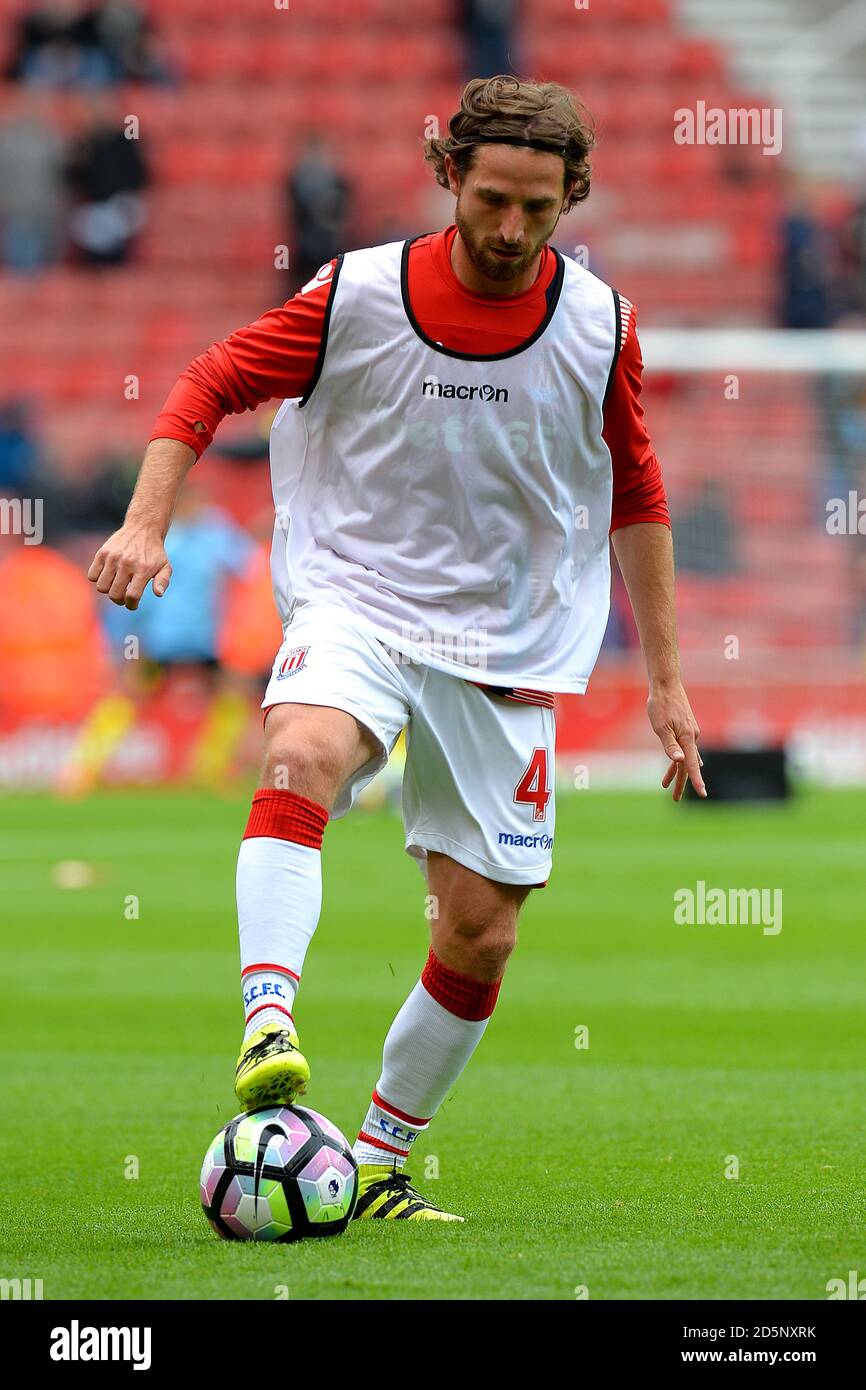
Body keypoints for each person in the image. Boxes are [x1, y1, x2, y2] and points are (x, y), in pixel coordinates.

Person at [87, 75, 704, 1224]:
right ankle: (267, 1015)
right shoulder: (357, 294)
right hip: (355, 597)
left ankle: (376, 1163)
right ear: (446, 177)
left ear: (572, 194)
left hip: (504, 634)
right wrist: (143, 518)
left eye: (536, 206)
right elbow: (209, 382)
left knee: (481, 927)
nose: (510, 230)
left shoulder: (598, 324)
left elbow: (636, 486)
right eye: (489, 201)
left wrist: (665, 677)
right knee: (302, 751)